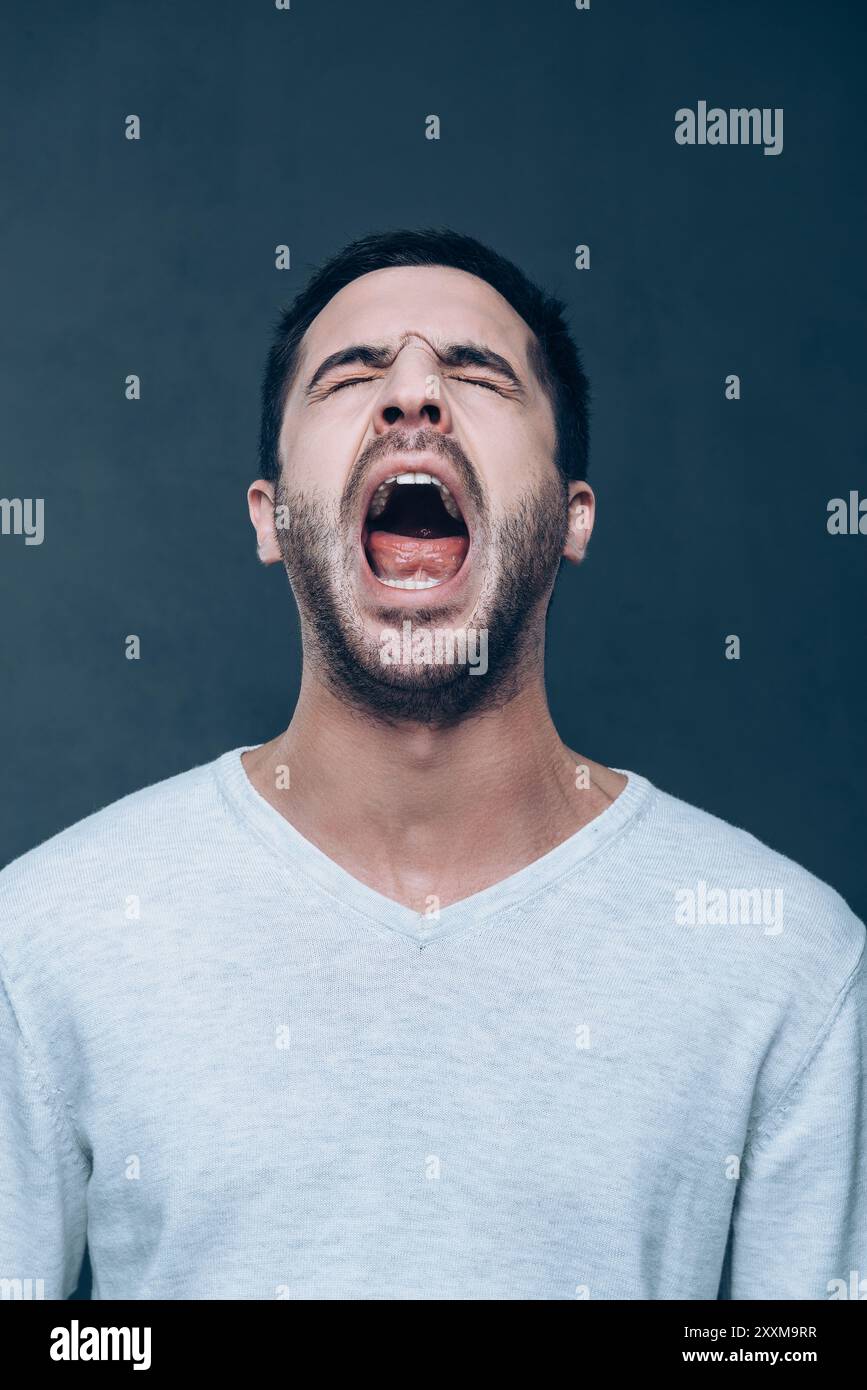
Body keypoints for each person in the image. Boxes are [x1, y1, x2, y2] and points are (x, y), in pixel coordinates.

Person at [1, 229, 864, 1301]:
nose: (413, 395)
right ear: (271, 517)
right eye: (353, 373)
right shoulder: (47, 936)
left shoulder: (789, 961)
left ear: (571, 517)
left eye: (476, 372)